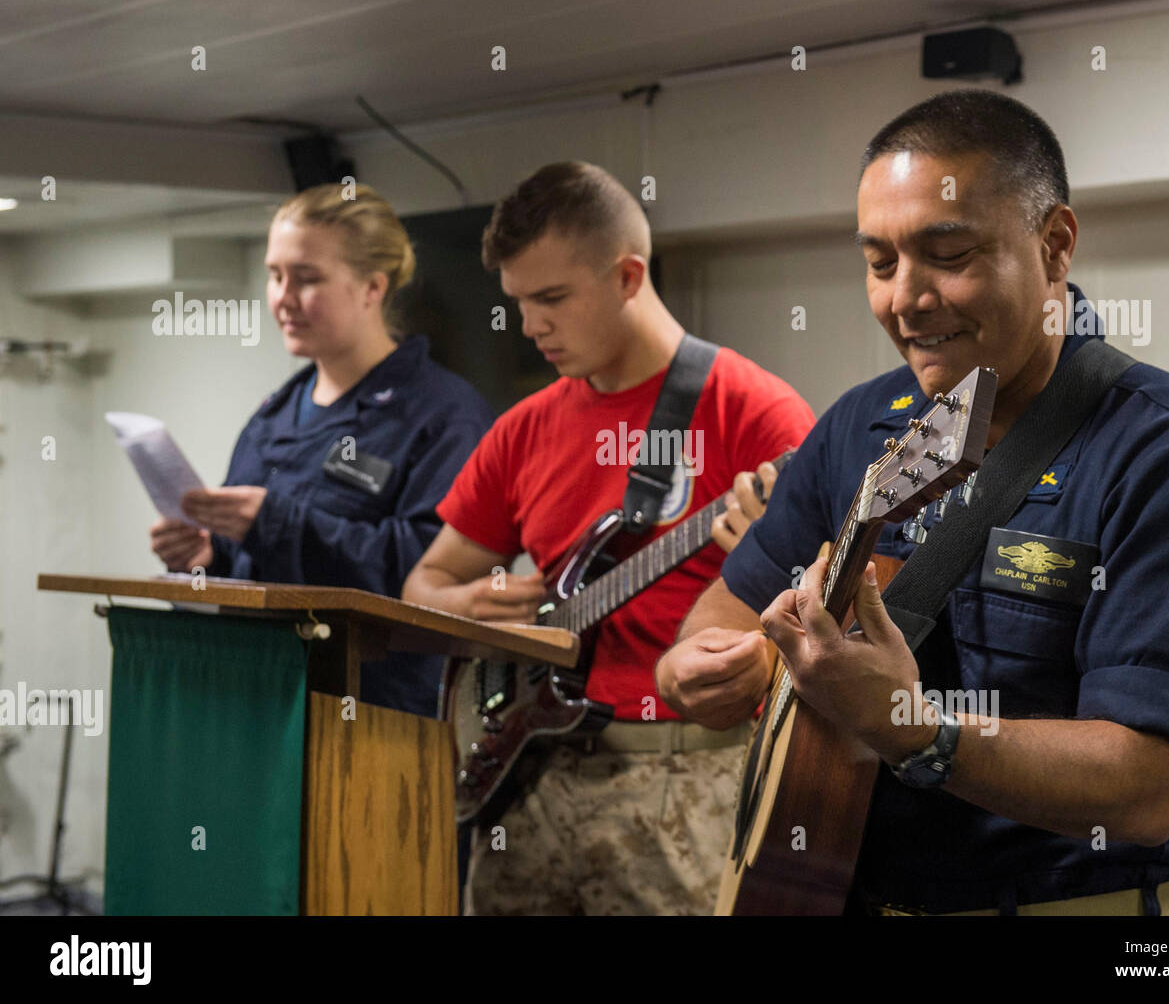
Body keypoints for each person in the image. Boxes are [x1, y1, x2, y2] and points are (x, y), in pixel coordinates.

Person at [656, 89, 1169, 916]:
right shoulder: (859, 426)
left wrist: (914, 729)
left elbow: (1148, 787)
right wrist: (695, 666)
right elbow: (722, 615)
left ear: (1055, 246)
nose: (904, 298)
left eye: (947, 254)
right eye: (880, 264)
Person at [401, 161, 817, 915]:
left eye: (552, 298)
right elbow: (423, 585)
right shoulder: (521, 429)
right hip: (530, 778)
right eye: (519, 302)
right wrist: (471, 603)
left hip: (689, 782)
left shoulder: (755, 414)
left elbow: (830, 604)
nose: (531, 327)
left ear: (629, 276)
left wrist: (771, 567)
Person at [149, 182, 495, 714]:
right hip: (261, 697)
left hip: (375, 714)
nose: (283, 298)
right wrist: (209, 557)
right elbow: (258, 570)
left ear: (372, 287)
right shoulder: (274, 413)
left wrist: (278, 525)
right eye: (275, 275)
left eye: (307, 279)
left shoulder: (443, 414)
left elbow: (427, 575)